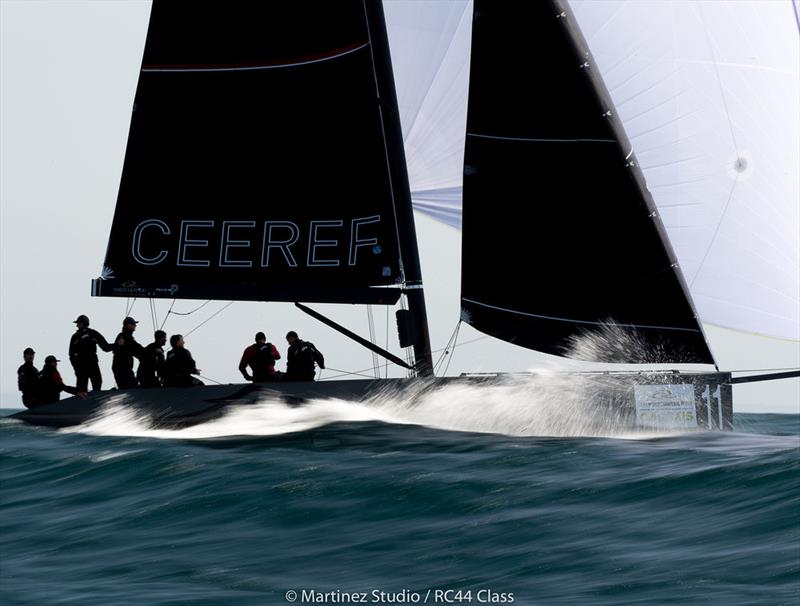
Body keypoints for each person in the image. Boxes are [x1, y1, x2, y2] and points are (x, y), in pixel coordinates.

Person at [69, 314, 112, 392]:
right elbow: (106, 347)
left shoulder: (75, 336)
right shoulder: (92, 333)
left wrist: (76, 367)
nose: (77, 326)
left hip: (82, 365)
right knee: (97, 385)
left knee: (82, 390)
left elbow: (71, 355)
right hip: (91, 364)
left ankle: (84, 403)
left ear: (82, 323)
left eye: (78, 323)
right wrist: (117, 345)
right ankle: (95, 402)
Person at [112, 316, 144, 389]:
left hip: (123, 369)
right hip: (123, 369)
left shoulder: (124, 336)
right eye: (133, 324)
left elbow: (132, 349)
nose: (135, 326)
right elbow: (135, 347)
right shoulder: (125, 336)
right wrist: (147, 352)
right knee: (133, 389)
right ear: (129, 325)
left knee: (129, 388)